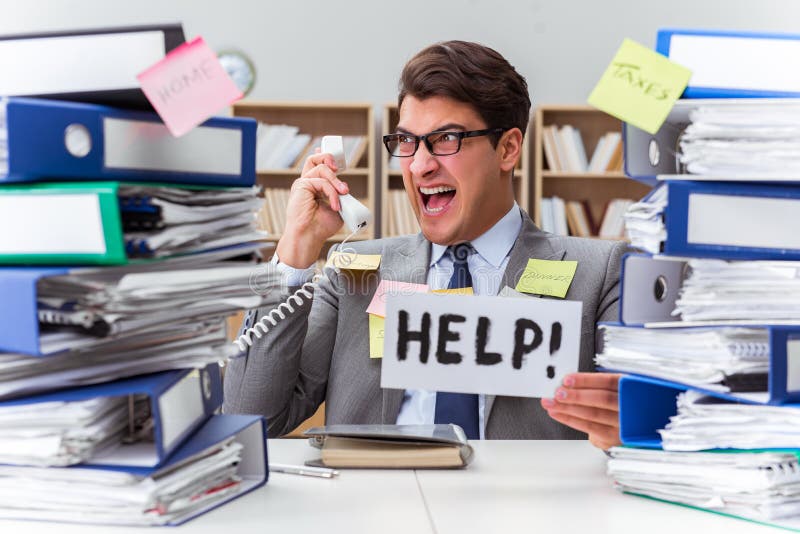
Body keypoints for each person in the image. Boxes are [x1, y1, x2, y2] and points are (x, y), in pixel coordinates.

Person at [223, 40, 624, 449]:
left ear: (507, 149)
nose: (419, 165)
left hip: (523, 510)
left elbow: (641, 422)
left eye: (447, 138)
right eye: (407, 142)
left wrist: (626, 424)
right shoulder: (354, 273)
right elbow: (250, 416)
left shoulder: (600, 272)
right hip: (375, 505)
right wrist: (295, 249)